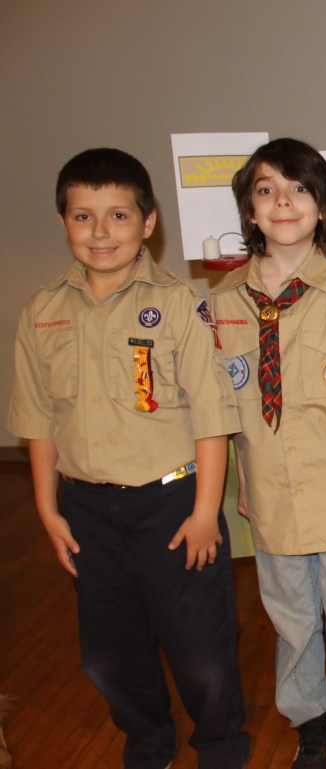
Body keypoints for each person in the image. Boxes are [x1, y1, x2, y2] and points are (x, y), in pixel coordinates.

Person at [8, 148, 250, 769]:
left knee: (199, 647)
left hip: (172, 504)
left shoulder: (178, 307)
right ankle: (147, 744)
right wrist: (47, 509)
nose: (100, 232)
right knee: (108, 654)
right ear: (63, 222)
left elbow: (212, 417)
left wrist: (204, 514)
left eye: (118, 215)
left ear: (148, 223)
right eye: (83, 216)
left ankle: (220, 746)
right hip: (86, 507)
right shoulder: (42, 313)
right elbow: (37, 420)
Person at [210, 138, 326, 769]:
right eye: (266, 190)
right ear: (250, 212)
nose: (283, 202)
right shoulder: (224, 303)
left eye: (299, 189)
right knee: (290, 616)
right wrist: (240, 481)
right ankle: (309, 719)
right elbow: (226, 407)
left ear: (322, 207)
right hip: (269, 484)